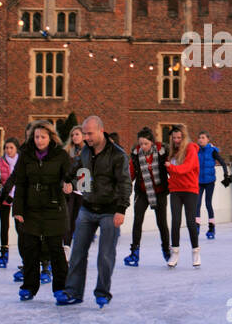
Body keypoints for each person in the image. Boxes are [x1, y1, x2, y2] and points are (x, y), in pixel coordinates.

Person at [60, 115, 130, 306]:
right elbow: (80, 174)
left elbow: (124, 183)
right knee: (77, 253)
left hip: (110, 210)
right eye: (84, 134)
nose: (87, 137)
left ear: (101, 130)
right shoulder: (85, 153)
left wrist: (121, 209)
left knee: (105, 255)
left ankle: (102, 292)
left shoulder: (117, 154)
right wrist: (68, 179)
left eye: (90, 133)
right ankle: (73, 292)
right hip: (88, 208)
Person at [4, 119, 74, 301]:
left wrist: (69, 184)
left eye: (43, 137)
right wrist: (17, 210)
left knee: (55, 250)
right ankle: (29, 286)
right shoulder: (26, 155)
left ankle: (61, 288)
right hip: (31, 208)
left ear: (51, 137)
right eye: (36, 137)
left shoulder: (60, 155)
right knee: (30, 249)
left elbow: (70, 175)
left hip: (54, 207)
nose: (39, 140)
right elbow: (20, 183)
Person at [126, 127, 170, 266]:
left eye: (146, 143)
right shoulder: (135, 155)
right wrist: (124, 189)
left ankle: (166, 249)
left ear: (151, 142)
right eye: (141, 144)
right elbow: (130, 174)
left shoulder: (162, 153)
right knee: (137, 221)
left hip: (160, 191)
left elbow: (171, 169)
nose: (143, 147)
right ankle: (134, 252)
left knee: (161, 222)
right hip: (142, 191)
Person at [165, 124, 202, 267]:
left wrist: (171, 167)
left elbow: (187, 168)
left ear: (184, 137)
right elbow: (172, 172)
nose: (176, 140)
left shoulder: (191, 148)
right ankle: (174, 253)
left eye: (179, 137)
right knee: (175, 221)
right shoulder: (172, 152)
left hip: (190, 189)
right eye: (174, 138)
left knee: (191, 222)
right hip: (175, 190)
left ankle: (195, 251)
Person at [195, 131, 230, 240]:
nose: (201, 140)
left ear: (208, 139)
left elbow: (222, 162)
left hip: (210, 181)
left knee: (208, 203)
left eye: (203, 137)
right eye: (199, 137)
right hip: (199, 181)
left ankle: (211, 228)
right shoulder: (196, 150)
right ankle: (196, 227)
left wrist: (225, 174)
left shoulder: (212, 151)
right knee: (197, 203)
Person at [0, 137, 20, 267]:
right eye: (6, 148)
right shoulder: (0, 161)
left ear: (16, 149)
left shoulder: (21, 161)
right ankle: (4, 253)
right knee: (4, 226)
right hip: (4, 197)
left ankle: (25, 256)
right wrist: (2, 194)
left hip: (18, 197)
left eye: (11, 148)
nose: (8, 150)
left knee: (20, 227)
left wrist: (15, 196)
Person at [63, 125, 86, 249]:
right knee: (68, 218)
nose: (74, 137)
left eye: (77, 134)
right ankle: (66, 246)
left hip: (82, 190)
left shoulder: (88, 151)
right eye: (72, 135)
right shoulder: (67, 152)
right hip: (68, 190)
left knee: (79, 221)